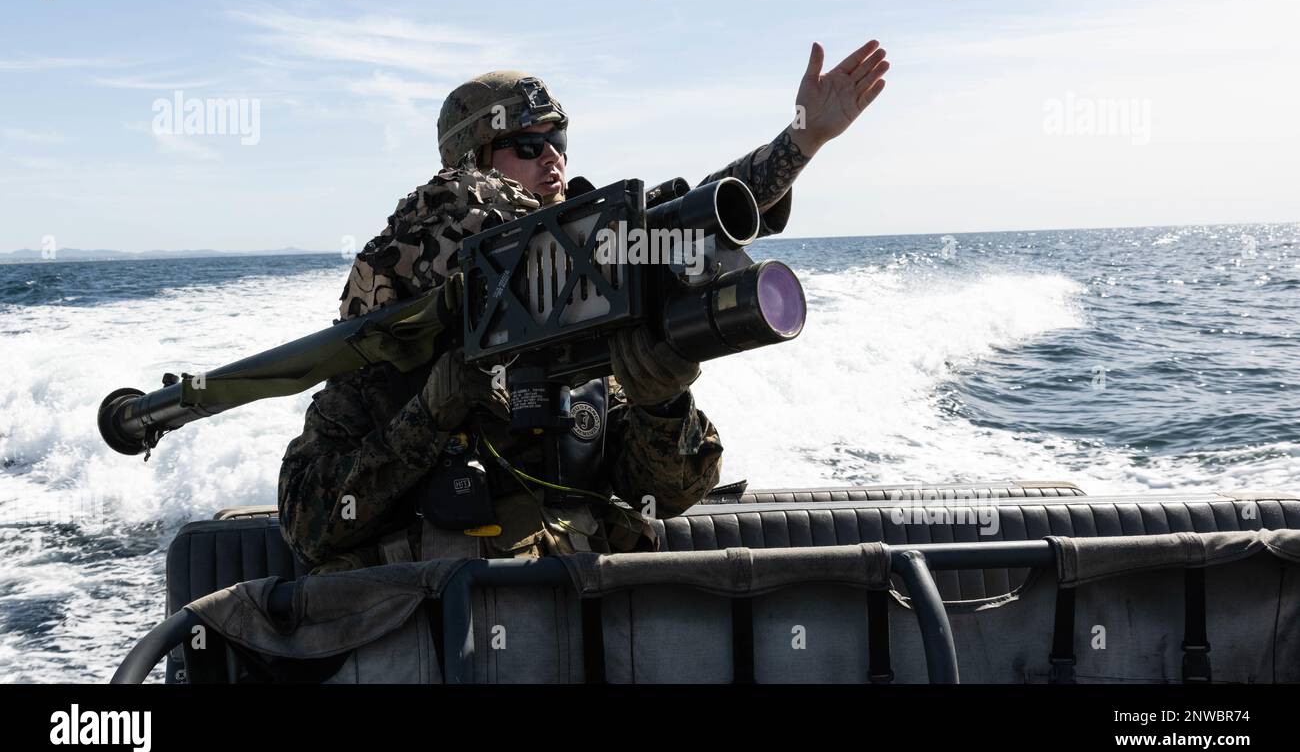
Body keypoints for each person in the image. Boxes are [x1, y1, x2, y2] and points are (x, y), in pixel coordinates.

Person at [278, 41, 889, 573]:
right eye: (527, 144)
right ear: (471, 162)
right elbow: (308, 525)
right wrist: (429, 416)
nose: (552, 159)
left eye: (559, 142)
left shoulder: (584, 312)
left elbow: (670, 492)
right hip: (442, 621)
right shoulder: (397, 335)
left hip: (580, 615)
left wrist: (662, 403)